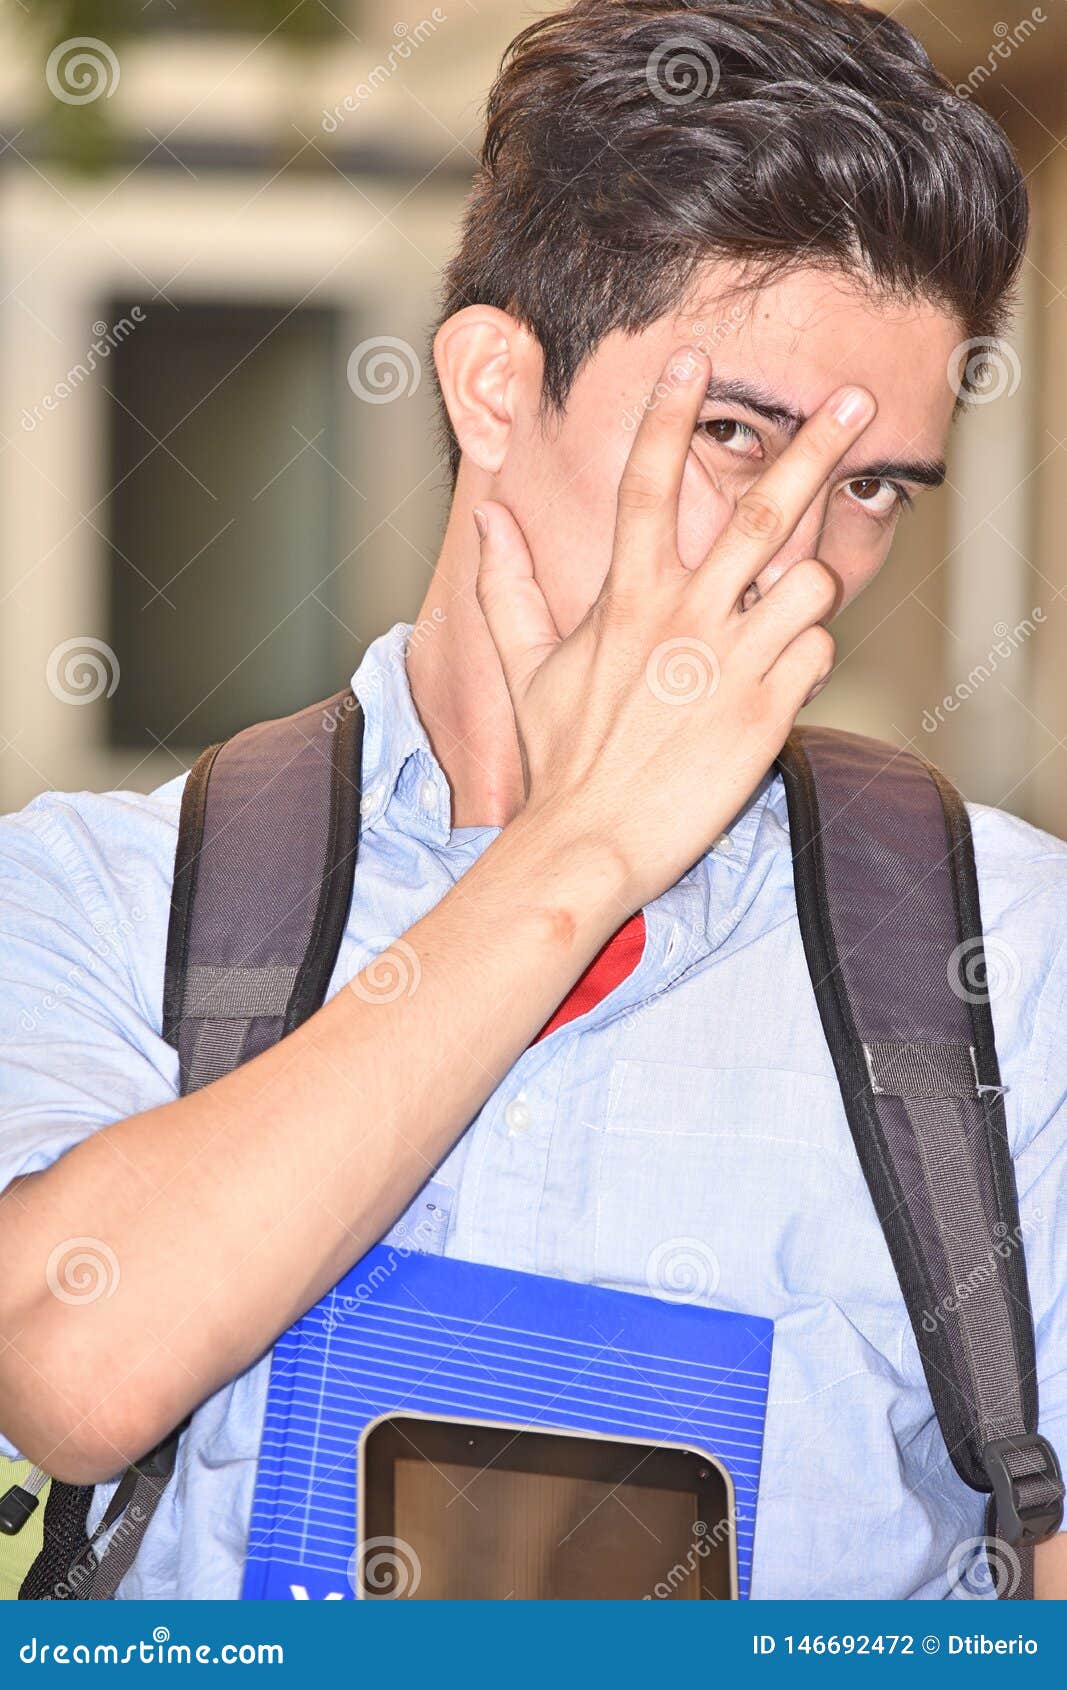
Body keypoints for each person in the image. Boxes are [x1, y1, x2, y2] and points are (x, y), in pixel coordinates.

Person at [0, 0, 1063, 1600]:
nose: (803, 560)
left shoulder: (1009, 956)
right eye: (734, 437)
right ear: (496, 387)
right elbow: (74, 1370)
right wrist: (574, 851)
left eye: (870, 489)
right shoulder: (98, 895)